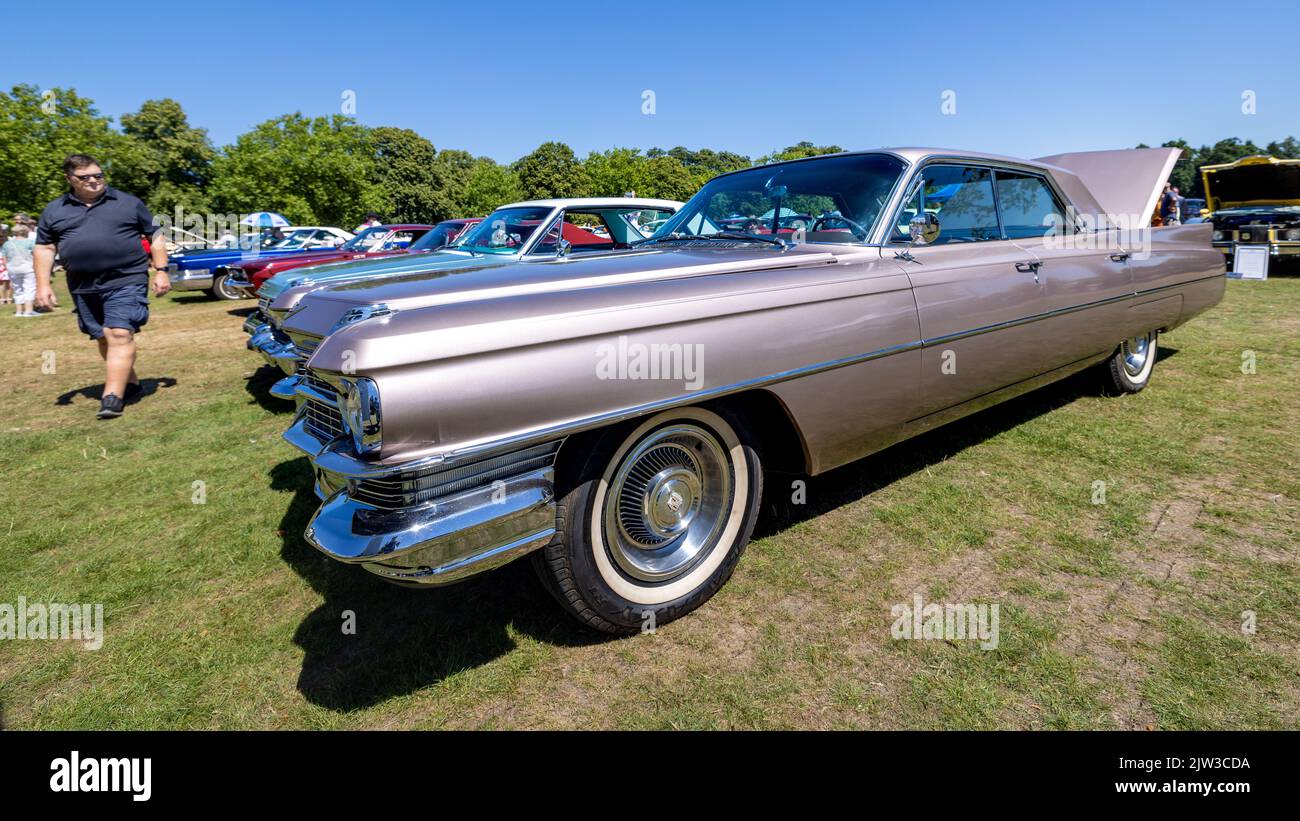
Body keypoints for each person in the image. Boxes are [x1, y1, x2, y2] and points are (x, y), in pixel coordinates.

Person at [34, 153, 171, 419]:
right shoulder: (55, 209)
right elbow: (45, 247)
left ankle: (111, 398)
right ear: (69, 179)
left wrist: (161, 270)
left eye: (99, 175)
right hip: (82, 285)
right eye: (85, 177)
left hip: (126, 278)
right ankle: (130, 384)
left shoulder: (128, 202)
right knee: (101, 335)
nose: (94, 181)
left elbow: (156, 235)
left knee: (119, 332)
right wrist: (42, 285)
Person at [3, 224, 38, 316]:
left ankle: (18, 311)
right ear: (25, 232)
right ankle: (28, 311)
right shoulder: (30, 242)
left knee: (17, 289)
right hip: (28, 267)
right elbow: (35, 255)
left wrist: (8, 268)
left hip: (12, 268)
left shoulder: (7, 244)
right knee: (29, 288)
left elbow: (4, 258)